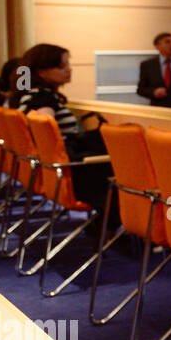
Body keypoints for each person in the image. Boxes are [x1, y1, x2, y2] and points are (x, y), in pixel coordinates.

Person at [12, 43, 113, 221]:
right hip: (74, 174)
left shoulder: (29, 95)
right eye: (62, 66)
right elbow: (46, 135)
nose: (69, 69)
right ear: (42, 72)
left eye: (68, 64)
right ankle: (110, 227)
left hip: (54, 173)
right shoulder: (42, 99)